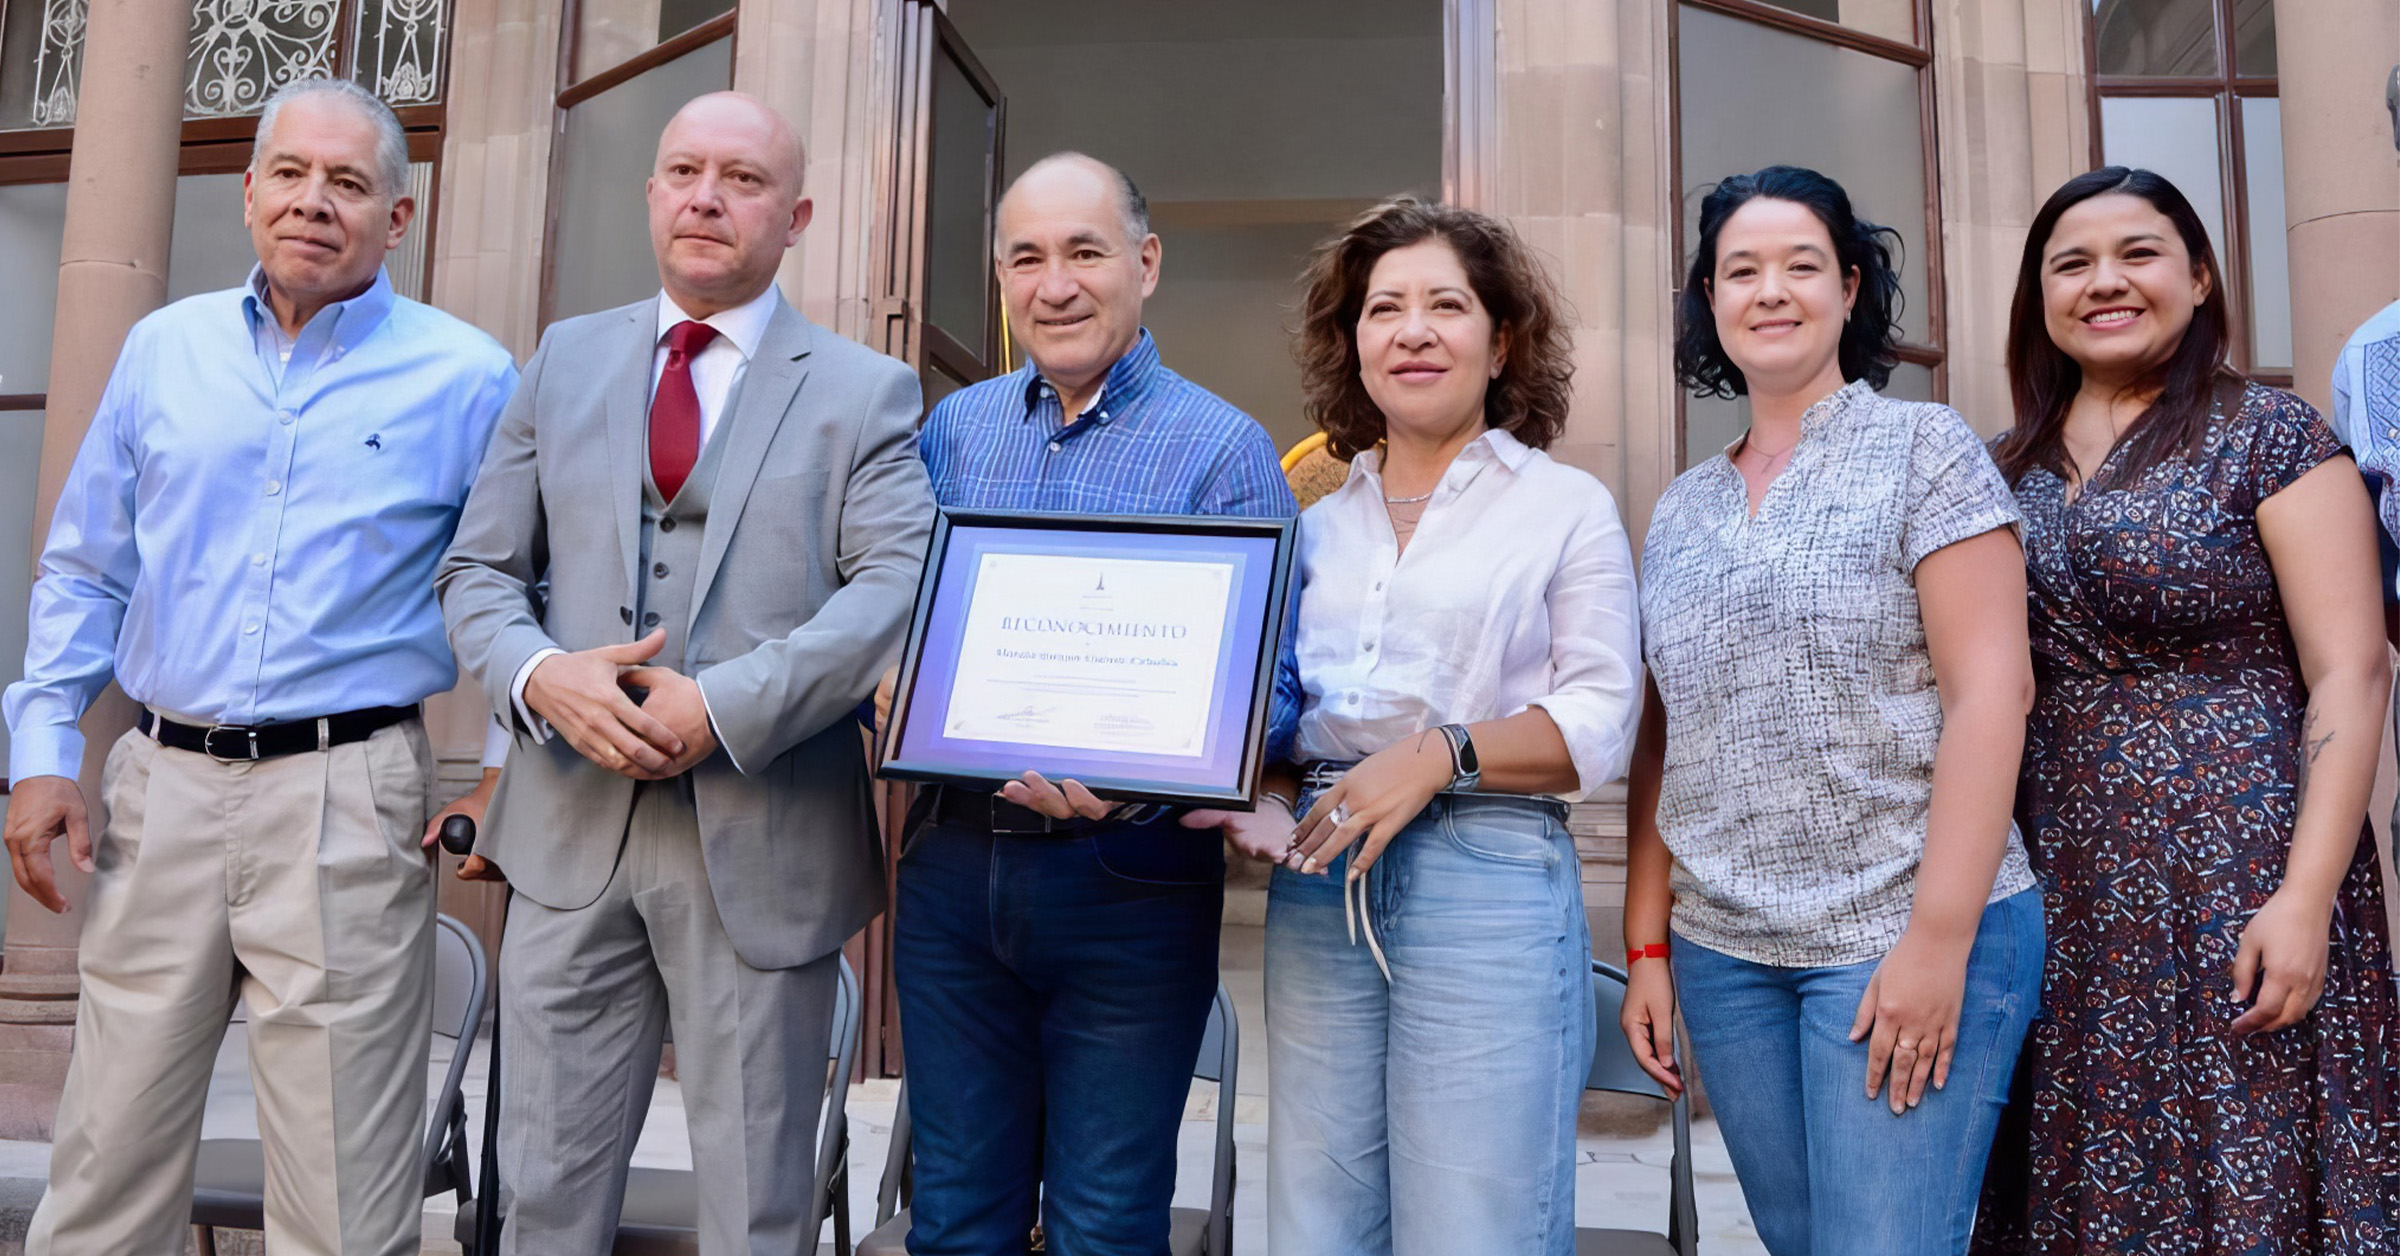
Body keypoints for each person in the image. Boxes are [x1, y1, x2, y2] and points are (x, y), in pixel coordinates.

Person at [0, 79, 516, 1256]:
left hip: (346, 791)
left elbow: (514, 590)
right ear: (247, 195)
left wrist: (500, 773)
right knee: (101, 1169)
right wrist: (42, 754)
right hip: (158, 788)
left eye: (348, 183)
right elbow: (83, 570)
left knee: (341, 1194)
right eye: (290, 173)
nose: (313, 202)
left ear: (400, 217)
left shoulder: (470, 377)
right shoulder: (160, 350)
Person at [436, 92, 934, 1254]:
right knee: (542, 1193)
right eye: (683, 171)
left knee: (757, 1202)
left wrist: (724, 703)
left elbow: (893, 590)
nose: (707, 196)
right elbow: (478, 569)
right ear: (652, 192)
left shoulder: (865, 390)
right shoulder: (564, 359)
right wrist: (542, 673)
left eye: (743, 179)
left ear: (796, 213)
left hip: (762, 837)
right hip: (567, 834)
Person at [1973, 167, 2400, 1254]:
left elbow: (2351, 669)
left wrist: (2306, 896)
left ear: (2200, 276)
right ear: (2039, 296)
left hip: (2245, 863)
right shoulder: (1993, 467)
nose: (2105, 281)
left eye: (2140, 253)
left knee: (2243, 1155)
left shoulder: (2270, 434)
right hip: (2060, 874)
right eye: (2072, 263)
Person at [1619, 165, 2043, 1255]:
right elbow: (1669, 734)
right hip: (1728, 952)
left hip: (1897, 925)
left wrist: (1939, 940)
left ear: (1850, 290)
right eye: (1740, 270)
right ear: (1709, 300)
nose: (1771, 289)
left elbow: (1993, 691)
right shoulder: (1681, 506)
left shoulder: (1924, 448)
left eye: (1801, 265)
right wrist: (1651, 946)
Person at [891, 151, 1295, 1255]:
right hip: (951, 872)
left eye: (1085, 251)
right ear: (1003, 277)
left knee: (1105, 1224)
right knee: (954, 1216)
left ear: (1146, 264)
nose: (1054, 283)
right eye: (1027, 257)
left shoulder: (1223, 449)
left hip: (1130, 882)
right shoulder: (953, 432)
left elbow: (1278, 683)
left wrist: (1138, 781)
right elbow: (898, 617)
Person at [1265, 197, 1641, 1256]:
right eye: (1384, 308)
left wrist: (1442, 751)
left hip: (1489, 866)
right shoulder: (1312, 526)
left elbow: (1601, 718)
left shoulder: (1564, 505)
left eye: (1446, 304)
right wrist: (1260, 789)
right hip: (1318, 874)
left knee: (1475, 1223)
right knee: (1315, 1218)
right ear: (1354, 344)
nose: (1413, 330)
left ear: (1501, 338)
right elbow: (1282, 709)